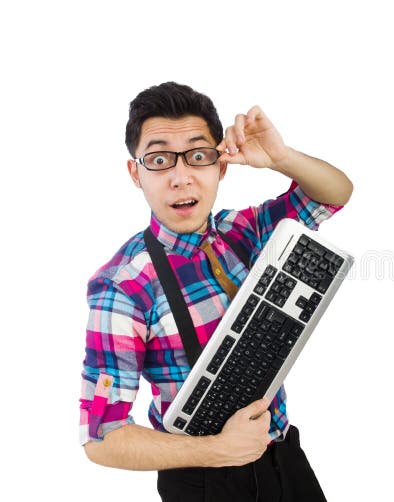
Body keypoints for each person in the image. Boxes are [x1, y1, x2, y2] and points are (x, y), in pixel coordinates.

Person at [79, 81, 353, 501]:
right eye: (158, 160)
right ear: (136, 173)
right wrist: (215, 451)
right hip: (203, 481)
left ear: (220, 165)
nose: (180, 177)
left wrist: (281, 157)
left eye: (198, 155)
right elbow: (101, 438)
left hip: (284, 459)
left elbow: (335, 194)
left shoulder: (247, 230)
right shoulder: (123, 286)